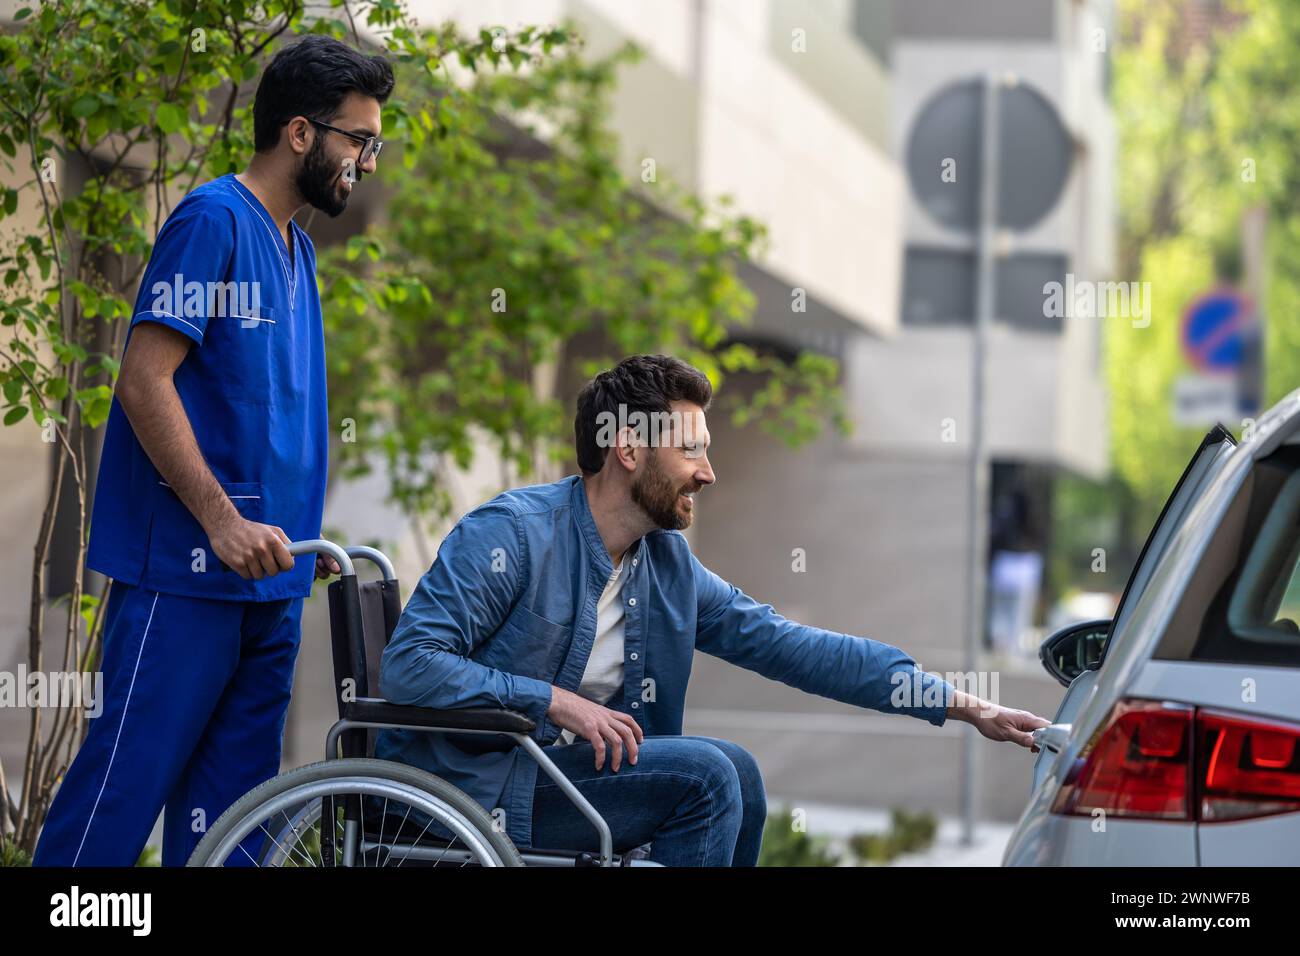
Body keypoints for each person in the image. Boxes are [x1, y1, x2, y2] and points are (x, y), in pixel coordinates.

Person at [377, 354, 1050, 866]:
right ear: (629, 449)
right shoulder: (513, 535)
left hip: (562, 780)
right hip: (478, 786)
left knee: (738, 774)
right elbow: (410, 667)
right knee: (703, 778)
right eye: (691, 449)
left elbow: (795, 648)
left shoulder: (664, 566)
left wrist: (965, 705)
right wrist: (554, 700)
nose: (707, 472)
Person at [34, 35, 394, 867]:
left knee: (234, 823)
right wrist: (223, 522)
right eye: (358, 140)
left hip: (272, 583)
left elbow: (265, 414)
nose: (368, 162)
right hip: (187, 578)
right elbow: (144, 379)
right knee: (120, 795)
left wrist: (303, 543)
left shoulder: (298, 250)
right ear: (300, 134)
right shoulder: (212, 221)